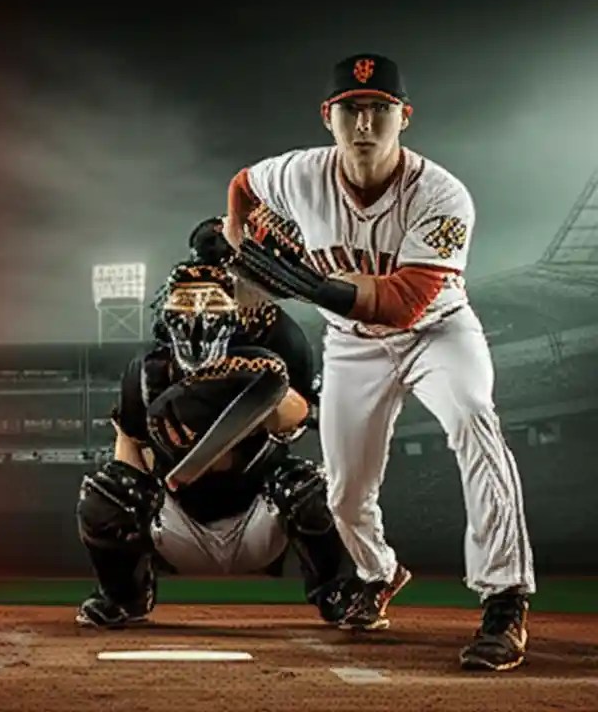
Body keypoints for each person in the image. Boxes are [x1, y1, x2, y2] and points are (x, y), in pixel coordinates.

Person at [222, 53, 534, 671]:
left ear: (404, 118)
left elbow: (403, 301)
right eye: (351, 109)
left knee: (473, 416)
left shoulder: (442, 195)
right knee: (344, 493)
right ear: (328, 117)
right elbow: (242, 187)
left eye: (379, 110)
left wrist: (306, 284)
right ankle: (378, 572)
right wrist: (240, 249)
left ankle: (505, 597)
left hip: (437, 331)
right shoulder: (298, 174)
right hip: (350, 344)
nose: (365, 122)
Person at [75, 222, 353, 629]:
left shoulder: (279, 341)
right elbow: (129, 445)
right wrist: (126, 494)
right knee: (106, 490)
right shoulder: (148, 371)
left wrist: (260, 383)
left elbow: (297, 418)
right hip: (178, 516)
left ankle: (336, 590)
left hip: (258, 509)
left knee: (312, 486)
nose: (198, 312)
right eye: (187, 299)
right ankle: (124, 596)